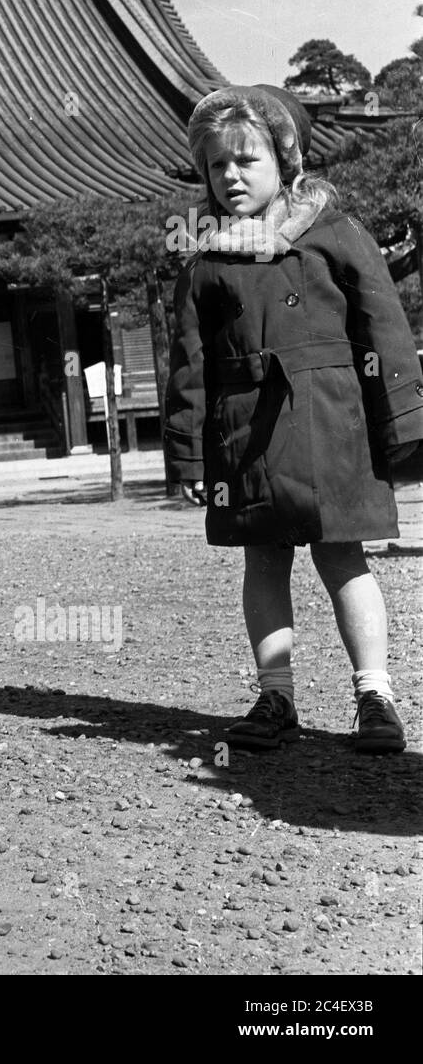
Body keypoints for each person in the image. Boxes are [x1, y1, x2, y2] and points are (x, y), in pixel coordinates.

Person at [165, 85, 423, 755]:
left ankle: (376, 696)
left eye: (246, 160)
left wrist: (405, 420)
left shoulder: (333, 232)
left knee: (344, 557)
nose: (230, 177)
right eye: (216, 165)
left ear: (286, 157)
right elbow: (188, 361)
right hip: (246, 429)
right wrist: (187, 454)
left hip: (337, 421)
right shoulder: (205, 255)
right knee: (263, 557)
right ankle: (275, 694)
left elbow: (385, 329)